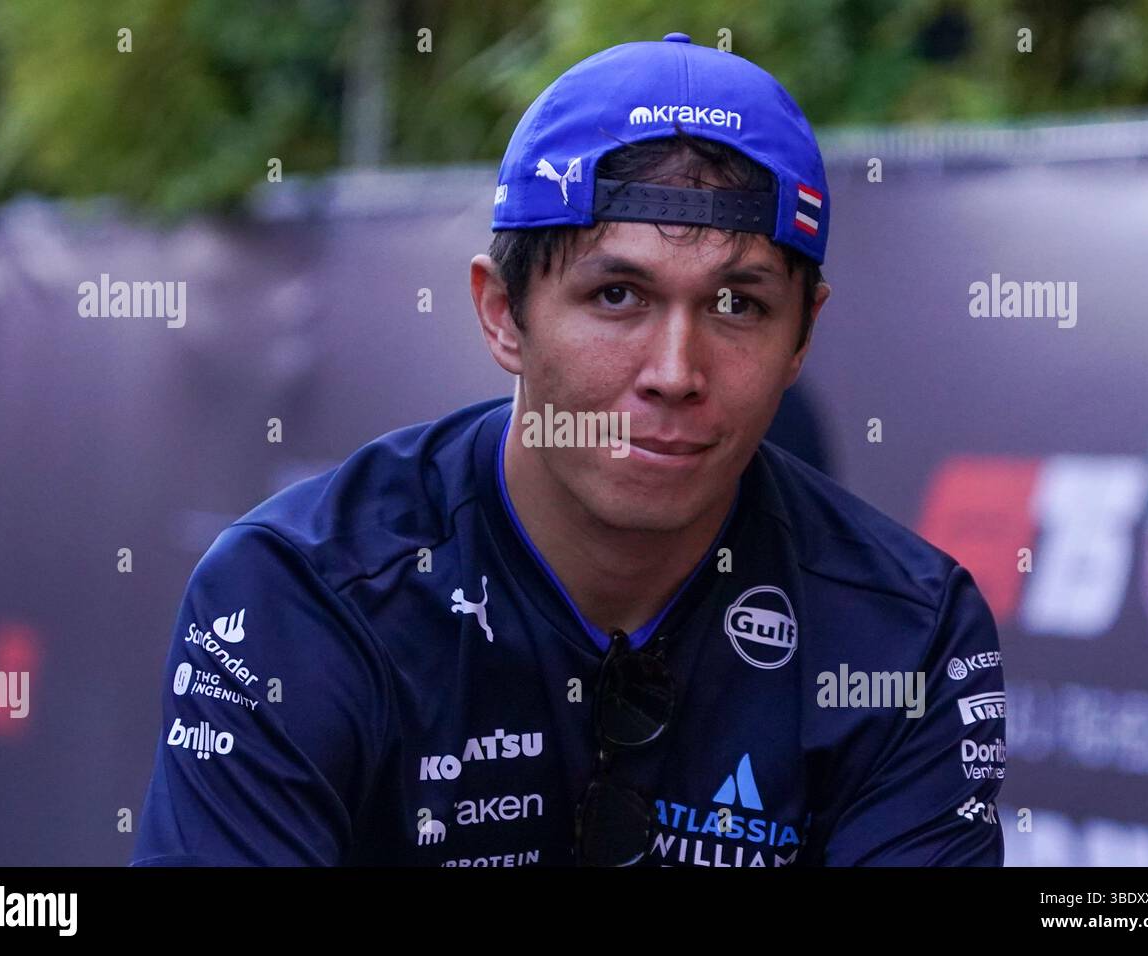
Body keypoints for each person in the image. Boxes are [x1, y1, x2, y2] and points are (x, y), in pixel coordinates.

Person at [131, 32, 1005, 867]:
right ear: (502, 314)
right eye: (618, 294)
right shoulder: (300, 594)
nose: (674, 372)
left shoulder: (904, 634)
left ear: (803, 335)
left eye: (738, 304)